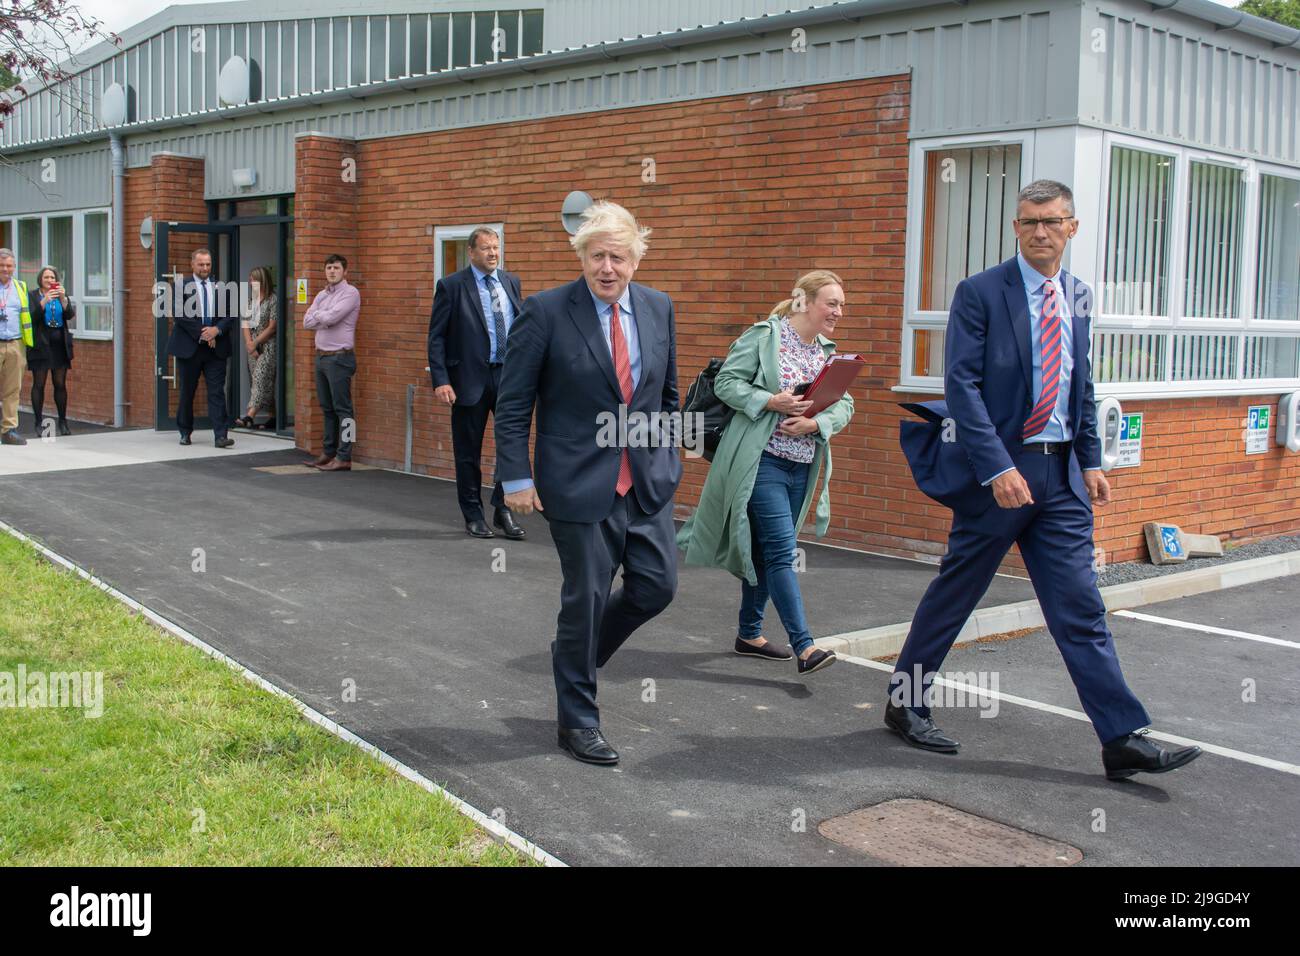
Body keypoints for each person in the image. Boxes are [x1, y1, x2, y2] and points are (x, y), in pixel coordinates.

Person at [890, 179, 1201, 782]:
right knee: (958, 592)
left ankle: (1121, 738)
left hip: (1061, 478)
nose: (1040, 231)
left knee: (1080, 606)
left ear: (1072, 229)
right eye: (1030, 221)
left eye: (1053, 221)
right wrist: (997, 466)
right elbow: (963, 387)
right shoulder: (981, 292)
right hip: (1002, 473)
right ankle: (905, 702)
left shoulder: (1079, 296)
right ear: (1015, 227)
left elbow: (1080, 385)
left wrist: (1091, 462)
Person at [495, 201, 682, 766]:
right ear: (581, 256)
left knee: (657, 588)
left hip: (645, 480)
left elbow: (666, 394)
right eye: (597, 256)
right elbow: (512, 404)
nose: (608, 268)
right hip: (576, 484)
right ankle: (578, 720)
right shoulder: (546, 311)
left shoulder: (658, 307)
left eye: (618, 257)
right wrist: (516, 479)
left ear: (635, 259)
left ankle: (571, 658)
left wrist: (669, 452)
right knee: (586, 598)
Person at [678, 271, 855, 675]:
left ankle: (749, 634)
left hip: (802, 466)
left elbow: (845, 405)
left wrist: (816, 424)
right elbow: (725, 383)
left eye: (841, 305)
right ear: (804, 302)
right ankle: (805, 648)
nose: (838, 312)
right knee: (780, 552)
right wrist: (768, 400)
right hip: (763, 462)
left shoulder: (827, 352)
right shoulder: (763, 337)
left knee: (763, 548)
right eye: (831, 303)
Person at [427, 227, 526, 539]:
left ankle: (503, 509)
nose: (493, 253)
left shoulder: (511, 282)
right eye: (486, 248)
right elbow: (436, 338)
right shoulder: (452, 286)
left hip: (508, 378)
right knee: (468, 451)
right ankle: (472, 513)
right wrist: (441, 380)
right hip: (469, 380)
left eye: (496, 248)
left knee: (511, 447)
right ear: (471, 252)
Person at [167, 248, 236, 448]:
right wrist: (204, 334)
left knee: (216, 392)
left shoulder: (222, 287)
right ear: (192, 264)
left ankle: (220, 436)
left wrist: (216, 330)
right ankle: (185, 432)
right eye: (201, 264)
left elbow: (231, 314)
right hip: (190, 347)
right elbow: (179, 314)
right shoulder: (180, 286)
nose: (205, 268)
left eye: (208, 264)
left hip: (217, 349)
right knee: (188, 391)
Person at [302, 254, 360, 472]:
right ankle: (328, 452)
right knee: (327, 408)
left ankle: (345, 456)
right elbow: (307, 322)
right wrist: (322, 315)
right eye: (328, 268)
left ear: (345, 271)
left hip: (340, 357)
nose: (332, 271)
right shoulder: (321, 294)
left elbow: (332, 318)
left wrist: (320, 315)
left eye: (336, 268)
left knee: (344, 409)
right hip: (322, 357)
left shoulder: (351, 293)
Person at [26, 265, 76, 437]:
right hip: (40, 345)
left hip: (59, 346)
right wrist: (44, 300)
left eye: (53, 278)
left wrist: (63, 299)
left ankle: (63, 421)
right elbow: (31, 317)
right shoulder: (33, 295)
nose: (50, 281)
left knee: (60, 383)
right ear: (40, 279)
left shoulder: (60, 294)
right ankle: (38, 422)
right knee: (39, 384)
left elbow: (69, 314)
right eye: (46, 277)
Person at [236, 266, 278, 430]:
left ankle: (249, 416)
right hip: (252, 347)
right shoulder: (250, 301)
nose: (251, 281)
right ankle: (273, 416)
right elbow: (245, 324)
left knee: (260, 379)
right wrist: (249, 345)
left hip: (267, 346)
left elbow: (272, 326)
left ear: (263, 280)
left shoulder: (272, 299)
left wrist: (256, 343)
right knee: (261, 381)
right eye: (250, 278)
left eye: (254, 278)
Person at [0, 248, 32, 446]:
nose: (5, 269)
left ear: (14, 267)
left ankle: (8, 430)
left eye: (8, 265)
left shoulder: (20, 287)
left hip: (15, 344)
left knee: (13, 390)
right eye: (2, 265)